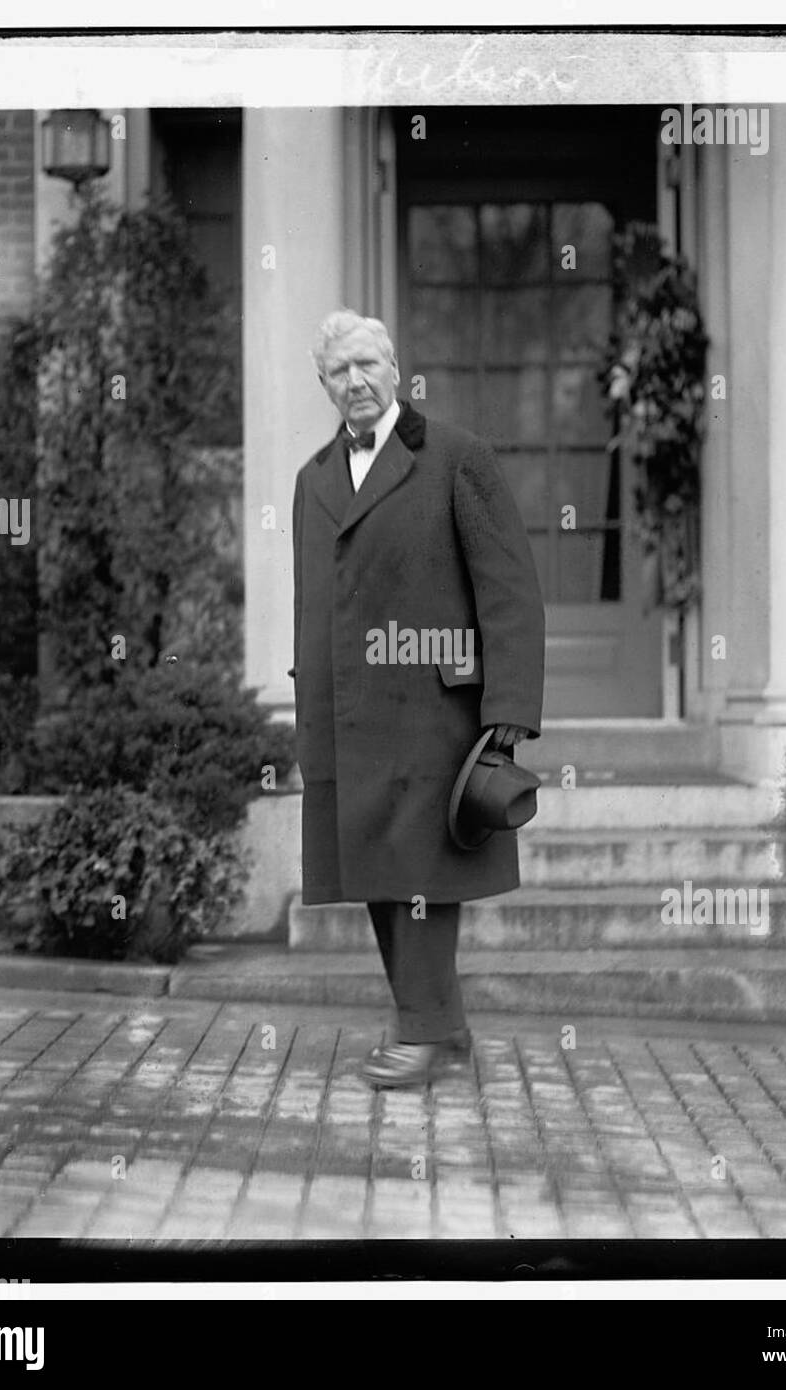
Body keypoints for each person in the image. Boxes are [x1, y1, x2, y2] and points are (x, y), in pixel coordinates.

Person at [290, 309, 545, 1088]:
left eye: (368, 364)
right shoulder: (312, 479)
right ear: (325, 386)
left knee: (424, 874)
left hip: (436, 710)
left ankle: (423, 1032)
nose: (356, 382)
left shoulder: (457, 458)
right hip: (349, 714)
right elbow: (314, 600)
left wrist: (509, 708)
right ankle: (441, 1025)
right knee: (376, 872)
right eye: (340, 372)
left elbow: (510, 589)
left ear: (395, 369)